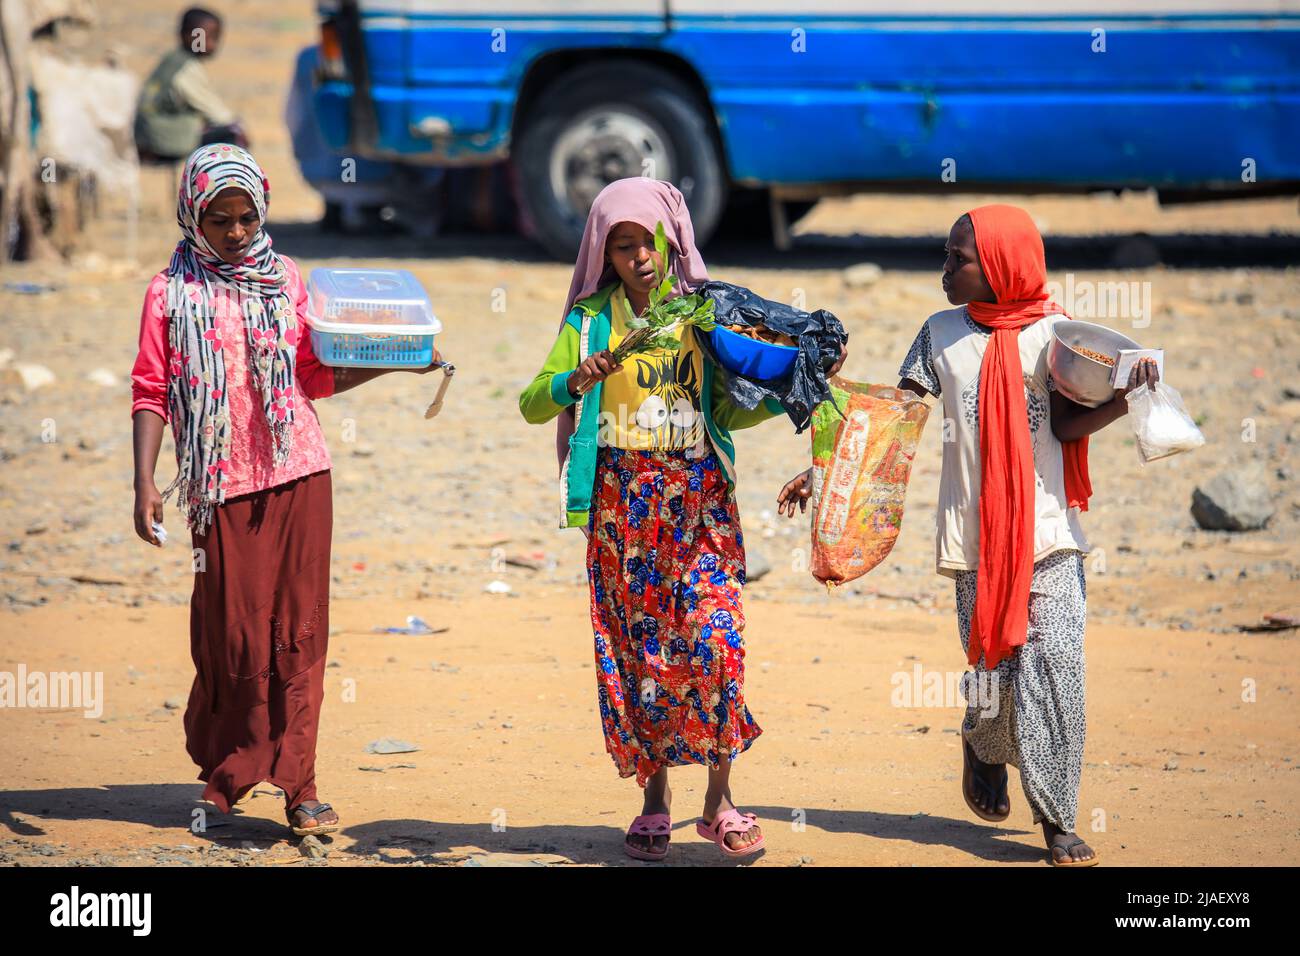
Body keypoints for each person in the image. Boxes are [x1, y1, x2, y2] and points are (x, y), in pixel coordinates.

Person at [778, 205, 1158, 867]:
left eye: (960, 259)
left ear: (1004, 265)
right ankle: (981, 745)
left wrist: (1126, 396)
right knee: (995, 676)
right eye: (947, 256)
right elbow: (894, 419)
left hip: (1047, 530)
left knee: (1057, 669)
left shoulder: (1058, 334)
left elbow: (1067, 428)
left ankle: (1057, 820)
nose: (945, 270)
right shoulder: (938, 334)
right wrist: (825, 468)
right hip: (974, 538)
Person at [519, 178, 845, 861]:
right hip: (622, 511)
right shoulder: (588, 323)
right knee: (642, 658)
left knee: (715, 642)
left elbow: (730, 406)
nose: (640, 256)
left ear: (675, 240)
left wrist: (803, 376)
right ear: (602, 253)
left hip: (700, 504)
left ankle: (719, 801)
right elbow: (532, 404)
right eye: (624, 245)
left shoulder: (703, 316)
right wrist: (576, 379)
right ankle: (654, 800)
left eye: (650, 241)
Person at [130, 143, 444, 835]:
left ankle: (299, 783)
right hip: (220, 486)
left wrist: (401, 362)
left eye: (246, 217)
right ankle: (230, 769)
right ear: (192, 215)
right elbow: (151, 390)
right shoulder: (170, 293)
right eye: (220, 220)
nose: (237, 232)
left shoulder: (286, 279)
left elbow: (317, 374)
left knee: (299, 633)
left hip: (301, 472)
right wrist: (143, 481)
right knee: (233, 634)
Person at [134, 7, 245, 161]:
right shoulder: (186, 68)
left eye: (216, 37)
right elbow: (217, 113)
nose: (214, 43)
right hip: (161, 138)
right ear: (186, 35)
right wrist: (238, 126)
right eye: (208, 36)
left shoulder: (172, 59)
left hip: (147, 132)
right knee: (232, 134)